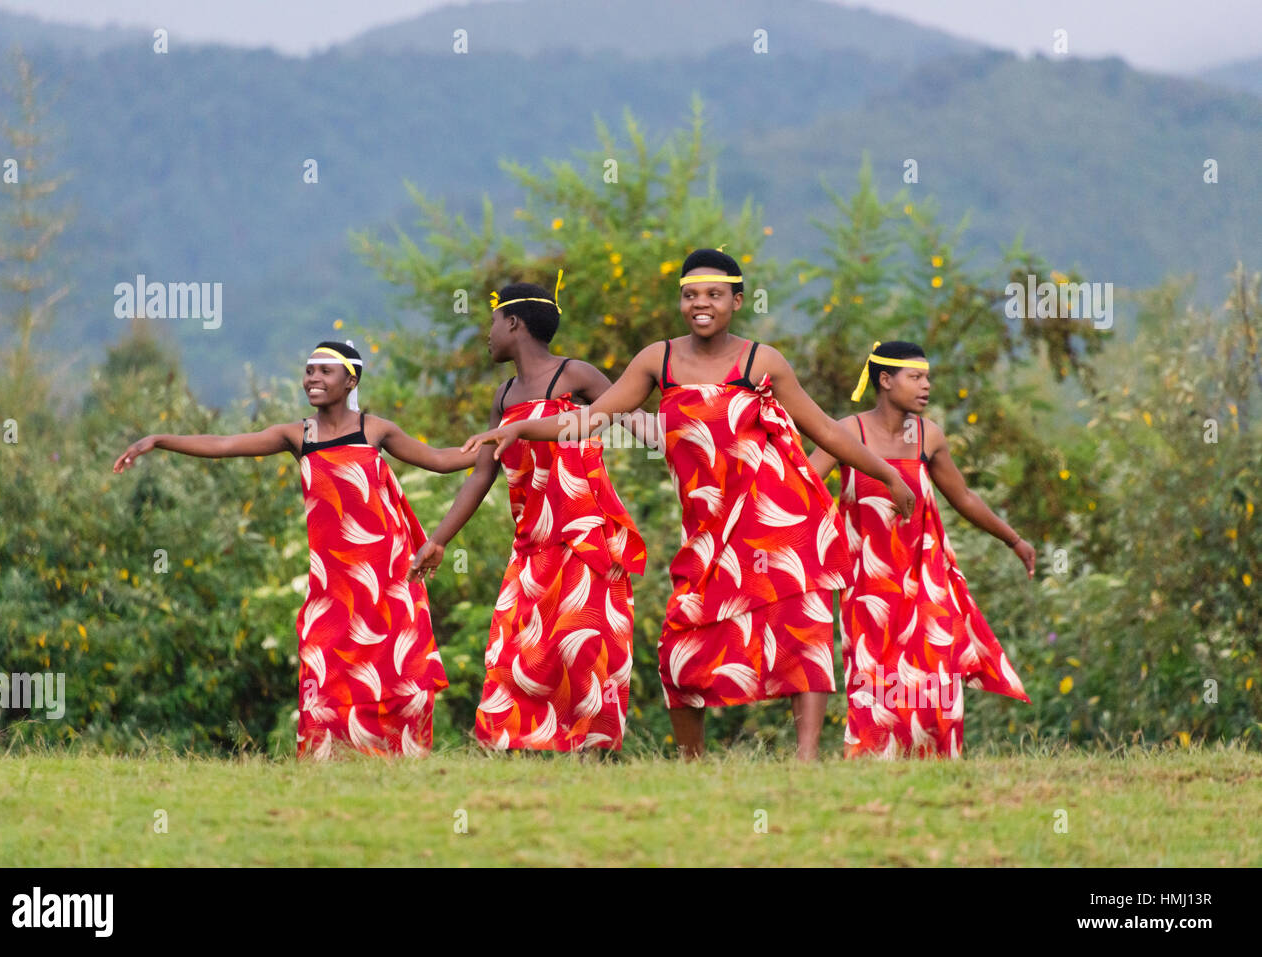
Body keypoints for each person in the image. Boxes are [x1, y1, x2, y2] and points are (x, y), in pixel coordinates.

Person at [462, 250, 915, 761]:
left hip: (778, 515)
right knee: (681, 641)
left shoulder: (761, 362)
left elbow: (828, 430)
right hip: (706, 529)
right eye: (691, 295)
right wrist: (521, 427)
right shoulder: (659, 360)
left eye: (715, 295)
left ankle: (806, 758)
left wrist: (886, 473)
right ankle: (691, 761)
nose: (701, 304)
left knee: (800, 626)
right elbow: (590, 419)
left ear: (736, 301)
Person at [113, 340, 474, 758]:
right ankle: (330, 759)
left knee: (399, 669)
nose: (313, 379)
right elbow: (225, 445)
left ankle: (404, 759)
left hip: (389, 578)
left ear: (350, 380)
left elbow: (442, 460)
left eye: (325, 371)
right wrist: (158, 440)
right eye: (309, 371)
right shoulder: (296, 435)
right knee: (325, 668)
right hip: (333, 585)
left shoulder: (375, 429)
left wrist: (500, 439)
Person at [409, 277, 653, 751]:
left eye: (493, 321)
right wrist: (438, 540)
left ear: (514, 322)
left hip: (585, 534)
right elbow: (482, 475)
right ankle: (520, 748)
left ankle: (593, 753)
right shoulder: (504, 396)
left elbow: (628, 414)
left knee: (584, 644)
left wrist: (678, 430)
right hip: (532, 544)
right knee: (515, 650)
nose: (488, 332)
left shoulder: (575, 375)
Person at [808, 340, 1033, 758]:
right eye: (916, 377)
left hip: (926, 578)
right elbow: (805, 491)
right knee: (875, 679)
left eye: (927, 376)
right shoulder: (845, 434)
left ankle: (939, 762)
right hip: (867, 585)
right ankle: (873, 762)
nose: (926, 385)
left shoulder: (928, 436)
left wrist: (1013, 540)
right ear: (886, 380)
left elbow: (963, 498)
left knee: (937, 674)